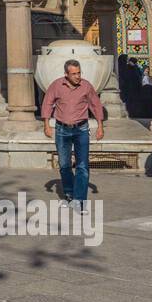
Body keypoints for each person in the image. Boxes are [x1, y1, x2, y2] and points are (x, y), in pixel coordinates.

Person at [40, 59, 105, 207]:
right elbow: (48, 103)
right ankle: (69, 193)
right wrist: (46, 125)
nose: (78, 76)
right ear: (66, 74)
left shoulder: (86, 86)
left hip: (81, 129)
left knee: (82, 165)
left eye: (79, 73)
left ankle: (79, 199)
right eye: (74, 74)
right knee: (64, 165)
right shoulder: (56, 85)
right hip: (62, 130)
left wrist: (100, 126)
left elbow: (96, 105)